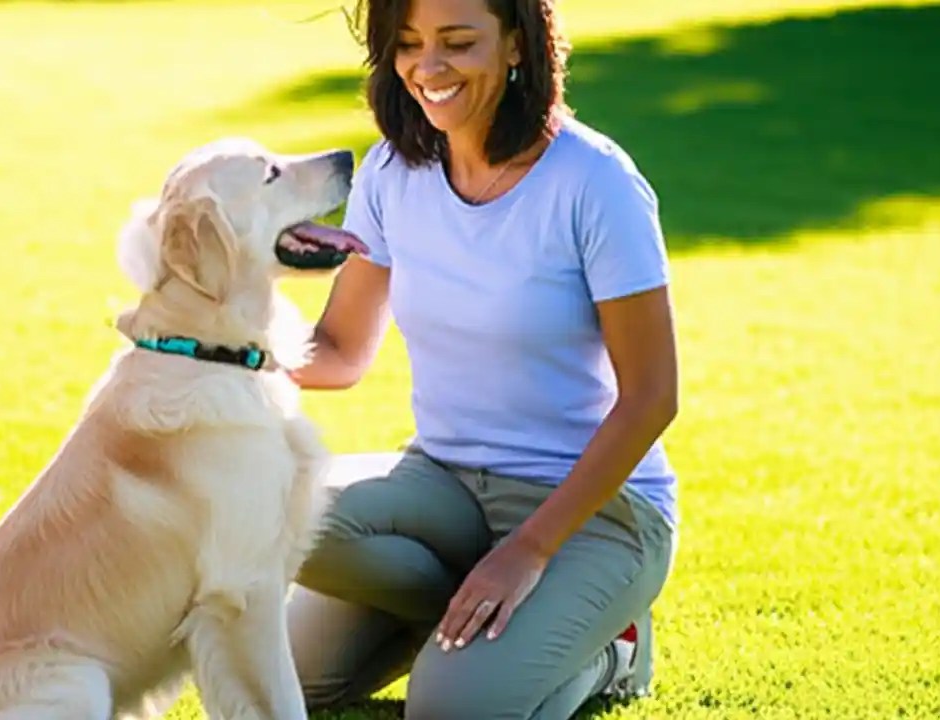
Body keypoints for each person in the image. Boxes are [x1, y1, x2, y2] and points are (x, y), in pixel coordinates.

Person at [282, 0, 681, 717]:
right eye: (408, 44)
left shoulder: (596, 182)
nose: (427, 68)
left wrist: (527, 551)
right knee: (283, 635)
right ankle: (482, 614)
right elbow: (339, 351)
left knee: (450, 712)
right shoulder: (393, 172)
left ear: (519, 46)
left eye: (458, 43)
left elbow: (652, 396)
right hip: (444, 486)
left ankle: (611, 649)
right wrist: (227, 349)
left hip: (593, 513)